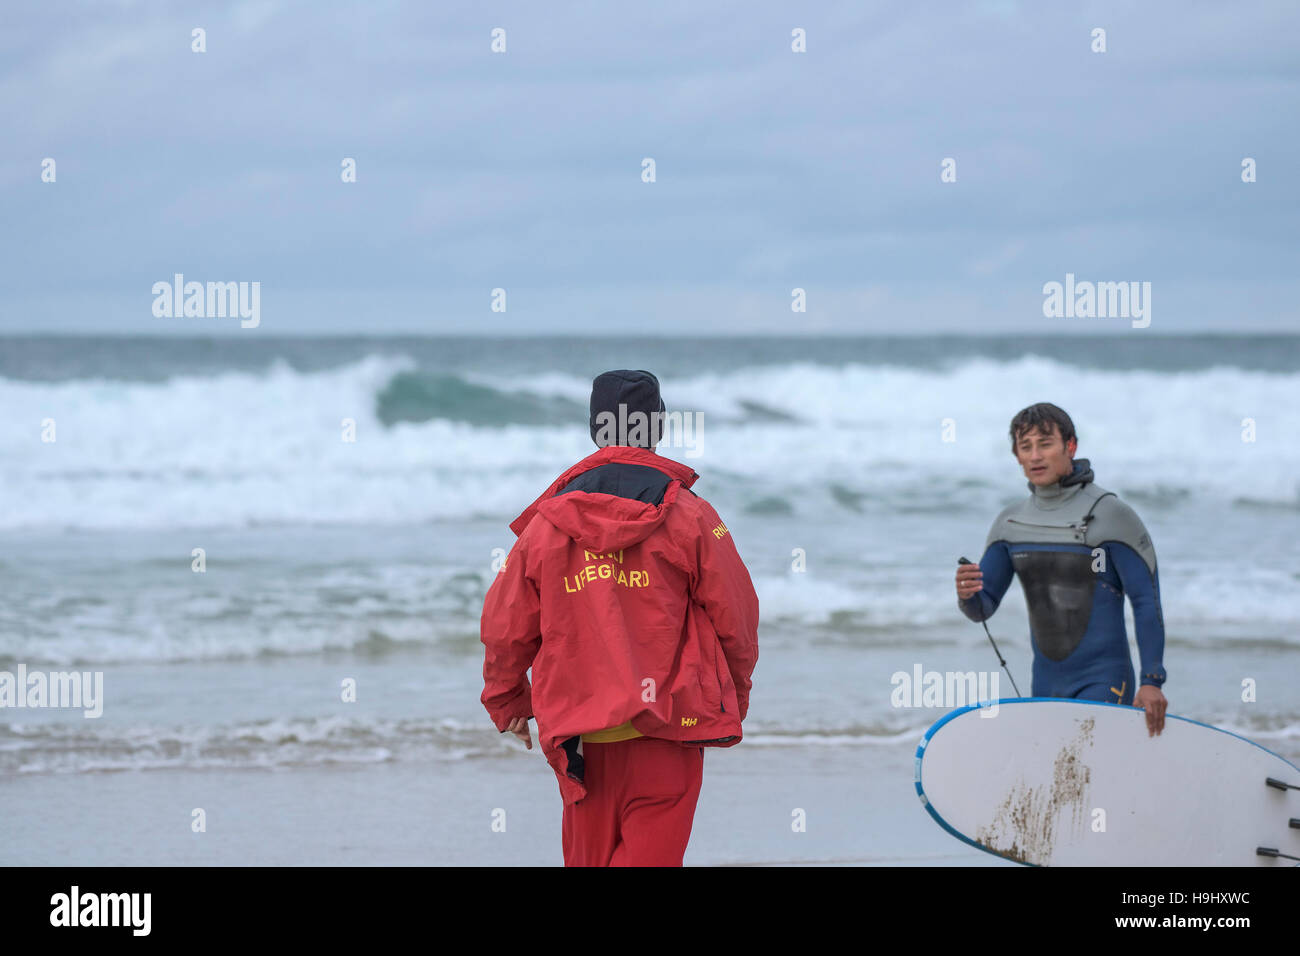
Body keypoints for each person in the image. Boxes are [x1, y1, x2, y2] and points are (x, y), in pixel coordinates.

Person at [480, 369, 759, 866]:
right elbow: (736, 616)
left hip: (582, 743)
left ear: (595, 429)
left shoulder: (546, 526)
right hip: (668, 733)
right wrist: (733, 695)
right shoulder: (694, 517)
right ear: (658, 428)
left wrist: (508, 701)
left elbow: (506, 625)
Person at [955, 402, 1168, 736]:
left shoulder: (1110, 515)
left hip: (1105, 679)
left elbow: (1144, 600)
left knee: (1091, 765)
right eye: (1026, 447)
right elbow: (983, 608)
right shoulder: (1010, 524)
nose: (1036, 455)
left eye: (1045, 443)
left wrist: (1151, 680)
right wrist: (967, 594)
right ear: (1017, 457)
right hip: (1046, 684)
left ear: (1070, 446)